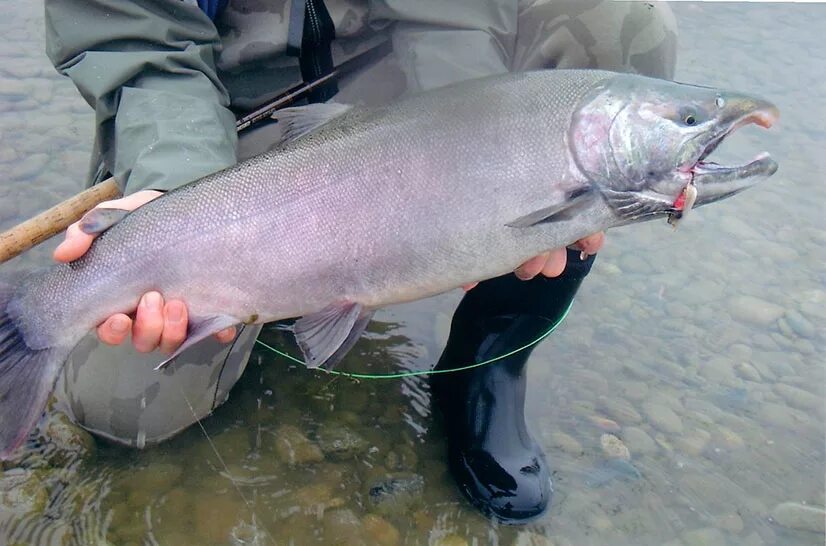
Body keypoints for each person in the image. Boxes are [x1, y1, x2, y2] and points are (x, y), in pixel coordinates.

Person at [44, 0, 676, 523]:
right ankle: (265, 285)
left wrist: (479, 172)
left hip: (408, 85)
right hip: (227, 118)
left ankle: (489, 359)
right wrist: (177, 188)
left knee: (624, 19)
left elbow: (454, 17)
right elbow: (134, 40)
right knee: (121, 411)